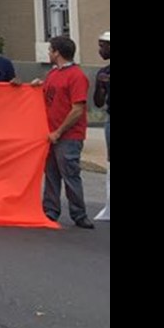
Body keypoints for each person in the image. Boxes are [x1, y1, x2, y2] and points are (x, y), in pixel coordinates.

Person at [38, 35, 94, 228]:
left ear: (57, 52)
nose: (49, 53)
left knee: (70, 174)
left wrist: (59, 132)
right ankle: (50, 210)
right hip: (52, 133)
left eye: (50, 50)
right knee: (51, 174)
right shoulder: (53, 74)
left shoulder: (76, 76)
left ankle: (79, 214)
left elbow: (77, 108)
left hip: (68, 136)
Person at [93, 31, 110, 221]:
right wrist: (100, 86)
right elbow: (98, 103)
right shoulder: (103, 72)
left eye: (102, 46)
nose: (100, 50)